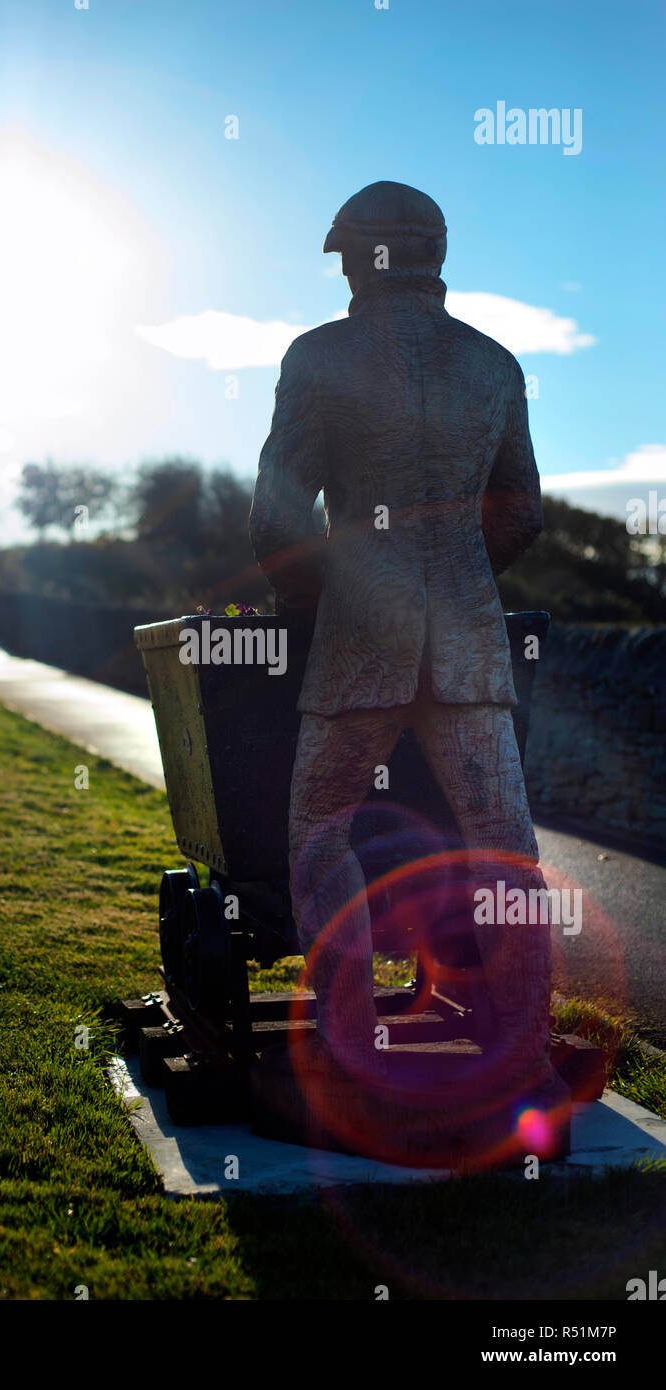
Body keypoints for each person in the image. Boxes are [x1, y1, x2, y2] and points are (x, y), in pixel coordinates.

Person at [249, 181, 553, 1093]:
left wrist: (314, 600)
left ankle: (349, 1041)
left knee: (319, 827)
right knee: (505, 841)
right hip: (467, 641)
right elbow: (523, 512)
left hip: (357, 641)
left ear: (353, 255)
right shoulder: (493, 365)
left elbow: (275, 516)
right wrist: (457, 583)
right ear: (434, 256)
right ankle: (521, 1046)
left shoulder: (319, 356)